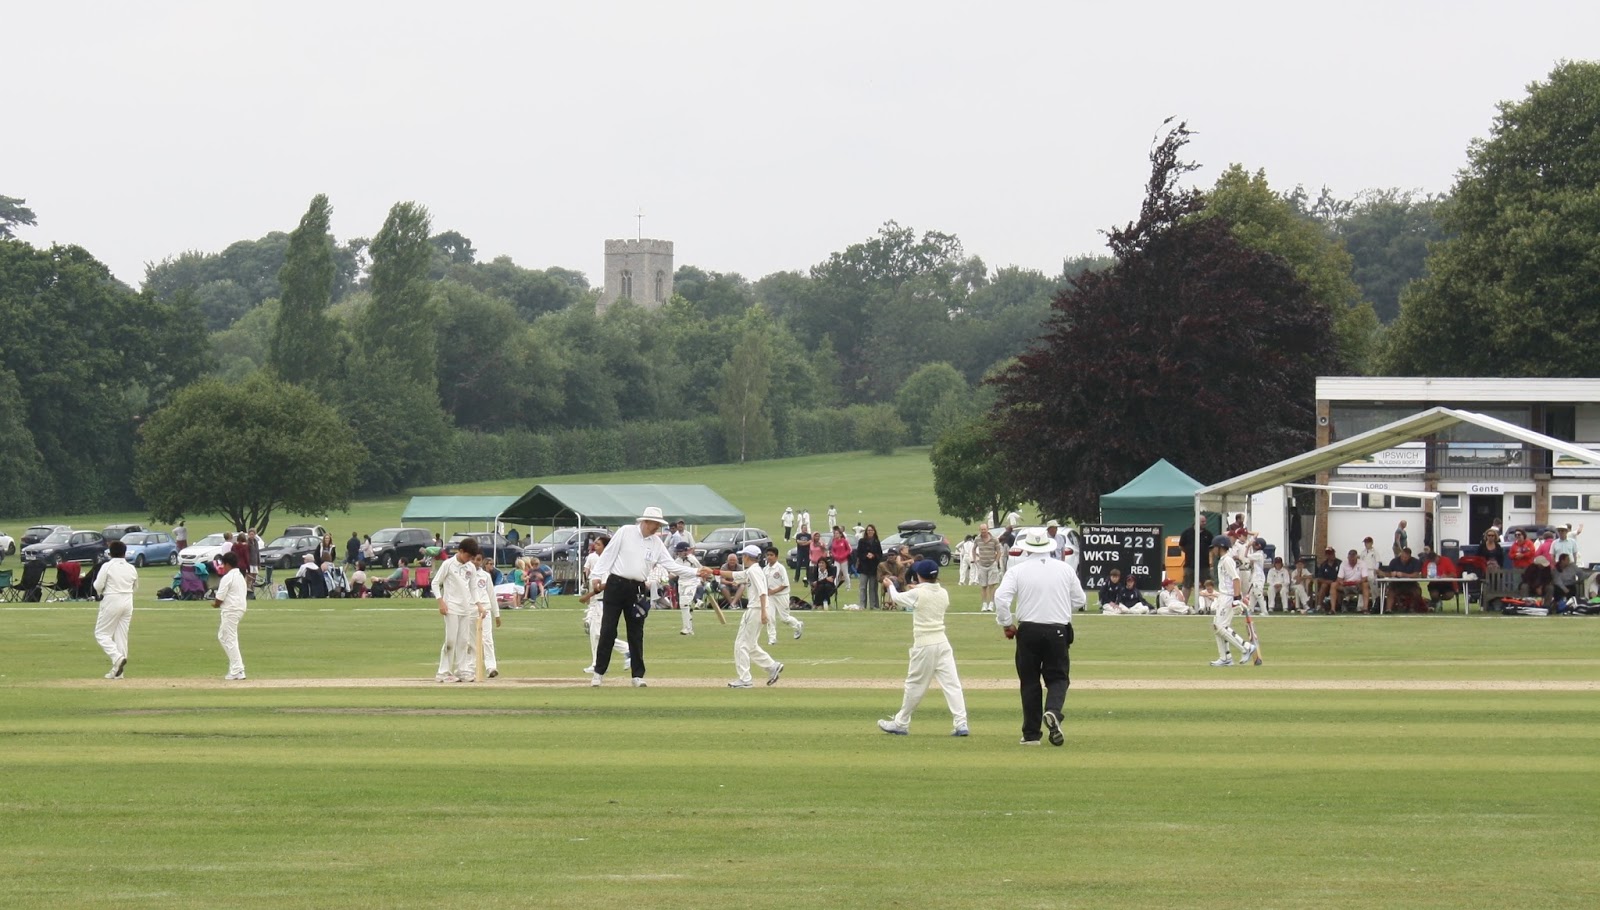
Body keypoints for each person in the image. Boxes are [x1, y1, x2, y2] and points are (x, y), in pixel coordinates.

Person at [587, 506, 700, 688]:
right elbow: (608, 555)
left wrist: (696, 571)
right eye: (655, 524)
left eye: (658, 524)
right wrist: (596, 576)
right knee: (608, 629)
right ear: (645, 522)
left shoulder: (656, 543)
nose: (657, 528)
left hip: (637, 588)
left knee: (636, 632)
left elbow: (671, 565)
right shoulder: (625, 532)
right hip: (616, 584)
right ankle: (599, 673)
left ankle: (637, 675)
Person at [994, 529, 1085, 747]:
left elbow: (1000, 598)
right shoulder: (1065, 569)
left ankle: (1031, 734)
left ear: (1027, 549)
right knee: (1058, 678)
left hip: (1028, 630)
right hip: (1058, 630)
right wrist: (1060, 606)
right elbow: (1079, 599)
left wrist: (1007, 624)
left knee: (1029, 682)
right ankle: (1053, 711)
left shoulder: (1017, 570)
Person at [877, 559, 968, 736]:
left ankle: (901, 723)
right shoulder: (943, 593)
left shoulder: (917, 594)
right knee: (952, 685)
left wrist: (890, 585)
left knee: (914, 685)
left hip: (924, 644)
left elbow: (897, 599)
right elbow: (929, 593)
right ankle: (961, 724)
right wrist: (917, 589)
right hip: (942, 643)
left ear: (919, 576)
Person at [704, 545, 783, 689]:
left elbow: (762, 592)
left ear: (747, 556)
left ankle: (745, 678)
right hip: (757, 610)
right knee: (750, 645)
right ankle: (772, 666)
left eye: (743, 555)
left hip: (755, 610)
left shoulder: (754, 571)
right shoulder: (753, 570)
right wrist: (713, 571)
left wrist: (764, 612)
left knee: (741, 645)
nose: (741, 558)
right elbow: (735, 576)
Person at [431, 536, 488, 683]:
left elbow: (473, 588)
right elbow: (435, 583)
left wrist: (479, 605)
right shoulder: (448, 564)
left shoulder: (470, 567)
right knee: (450, 640)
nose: (469, 560)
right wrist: (440, 602)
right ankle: (443, 673)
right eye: (468, 556)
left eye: (472, 557)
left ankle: (462, 670)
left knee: (464, 641)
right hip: (451, 607)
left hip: (466, 609)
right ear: (461, 551)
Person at [579, 535, 629, 673]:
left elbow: (606, 584)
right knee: (593, 633)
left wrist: (587, 596)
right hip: (596, 602)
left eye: (599, 544)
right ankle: (596, 663)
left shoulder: (608, 562)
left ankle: (627, 649)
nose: (595, 546)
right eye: (595, 544)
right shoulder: (597, 560)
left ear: (606, 547)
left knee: (600, 633)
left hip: (602, 602)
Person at [1207, 536, 1257, 667]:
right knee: (1217, 626)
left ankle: (1246, 647)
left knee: (1220, 627)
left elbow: (1236, 579)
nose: (1213, 551)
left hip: (1229, 597)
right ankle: (1225, 657)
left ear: (1220, 547)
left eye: (1214, 548)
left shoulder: (1227, 560)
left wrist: (1236, 598)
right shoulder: (1223, 560)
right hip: (1223, 596)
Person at [92, 539, 139, 679]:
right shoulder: (131, 568)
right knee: (121, 636)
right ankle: (118, 672)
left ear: (110, 553)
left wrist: (102, 592)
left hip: (112, 599)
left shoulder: (107, 566)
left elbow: (97, 585)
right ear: (124, 553)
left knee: (101, 634)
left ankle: (117, 658)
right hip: (128, 600)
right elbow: (136, 587)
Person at [211, 552, 250, 680]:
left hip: (231, 610)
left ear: (227, 564)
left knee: (230, 638)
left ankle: (237, 670)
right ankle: (237, 667)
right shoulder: (240, 576)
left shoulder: (228, 577)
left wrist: (215, 604)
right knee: (223, 636)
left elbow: (219, 598)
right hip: (238, 608)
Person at [763, 545, 802, 642]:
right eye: (767, 555)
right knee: (770, 617)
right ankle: (772, 638)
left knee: (784, 618)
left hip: (782, 596)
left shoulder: (780, 568)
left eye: (771, 555)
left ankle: (797, 625)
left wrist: (773, 591)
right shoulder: (765, 569)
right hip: (770, 597)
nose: (769, 557)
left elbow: (785, 584)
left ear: (776, 556)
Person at [473, 552, 502, 678]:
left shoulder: (485, 576)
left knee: (487, 639)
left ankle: (491, 667)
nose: (476, 562)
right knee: (470, 640)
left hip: (485, 610)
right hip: (470, 610)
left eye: (479, 560)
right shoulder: (465, 575)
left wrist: (497, 614)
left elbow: (491, 595)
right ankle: (470, 668)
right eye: (474, 559)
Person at [1381, 547, 1425, 612]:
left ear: (1410, 556)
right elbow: (1387, 574)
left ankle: (1413, 608)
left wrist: (1403, 575)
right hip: (1396, 584)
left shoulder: (1415, 562)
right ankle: (1388, 609)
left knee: (1417, 592)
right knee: (1390, 592)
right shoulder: (1394, 561)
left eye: (1406, 557)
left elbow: (1416, 575)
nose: (1403, 558)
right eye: (1402, 556)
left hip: (1411, 584)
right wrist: (1391, 574)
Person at [973, 524, 1004, 612]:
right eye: (981, 529)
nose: (983, 531)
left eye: (984, 529)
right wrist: (975, 560)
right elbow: (974, 549)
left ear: (987, 529)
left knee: (992, 585)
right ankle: (984, 604)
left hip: (992, 565)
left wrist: (996, 562)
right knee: (983, 586)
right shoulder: (977, 539)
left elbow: (998, 551)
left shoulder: (994, 539)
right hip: (982, 565)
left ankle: (991, 604)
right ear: (980, 530)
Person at [674, 542, 703, 635]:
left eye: (681, 551)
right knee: (684, 605)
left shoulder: (692, 559)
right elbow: (674, 573)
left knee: (685, 603)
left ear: (686, 551)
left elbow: (700, 569)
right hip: (681, 583)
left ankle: (686, 628)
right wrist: (665, 578)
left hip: (692, 582)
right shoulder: (677, 561)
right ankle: (689, 629)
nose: (679, 553)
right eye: (678, 552)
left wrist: (702, 580)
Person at [1420, 543, 1460, 609]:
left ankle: (1436, 602)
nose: (1434, 563)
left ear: (1437, 557)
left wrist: (1446, 576)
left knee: (1449, 595)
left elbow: (1454, 574)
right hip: (1434, 583)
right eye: (1431, 561)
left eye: (1434, 560)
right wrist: (1427, 575)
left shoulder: (1446, 560)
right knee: (1434, 595)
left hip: (1447, 583)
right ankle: (1435, 602)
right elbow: (1423, 575)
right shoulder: (1428, 563)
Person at [856, 525, 884, 610]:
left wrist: (874, 556)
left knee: (873, 588)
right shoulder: (862, 541)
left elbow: (880, 555)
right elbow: (858, 553)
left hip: (873, 568)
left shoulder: (876, 542)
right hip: (863, 568)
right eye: (868, 530)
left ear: (874, 531)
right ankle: (862, 605)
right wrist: (866, 555)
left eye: (871, 530)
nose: (870, 532)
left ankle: (873, 605)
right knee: (862, 587)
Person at [1338, 549, 1371, 613]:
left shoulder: (1362, 563)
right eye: (1350, 560)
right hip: (1346, 585)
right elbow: (1339, 578)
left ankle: (1365, 608)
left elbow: (1365, 578)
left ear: (1357, 558)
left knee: (1365, 585)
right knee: (1334, 585)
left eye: (1353, 560)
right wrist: (1341, 582)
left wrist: (1360, 582)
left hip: (1358, 585)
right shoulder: (1343, 563)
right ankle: (1333, 609)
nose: (1351, 561)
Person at [1313, 547, 1342, 613]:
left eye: (1332, 553)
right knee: (1324, 585)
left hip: (1337, 584)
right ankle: (1319, 605)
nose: (1332, 555)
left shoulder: (1339, 563)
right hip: (1327, 585)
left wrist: (1335, 582)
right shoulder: (1323, 565)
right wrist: (1328, 582)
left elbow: (1343, 575)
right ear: (1326, 555)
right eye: (1329, 554)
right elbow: (1319, 578)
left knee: (1334, 585)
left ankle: (1337, 606)